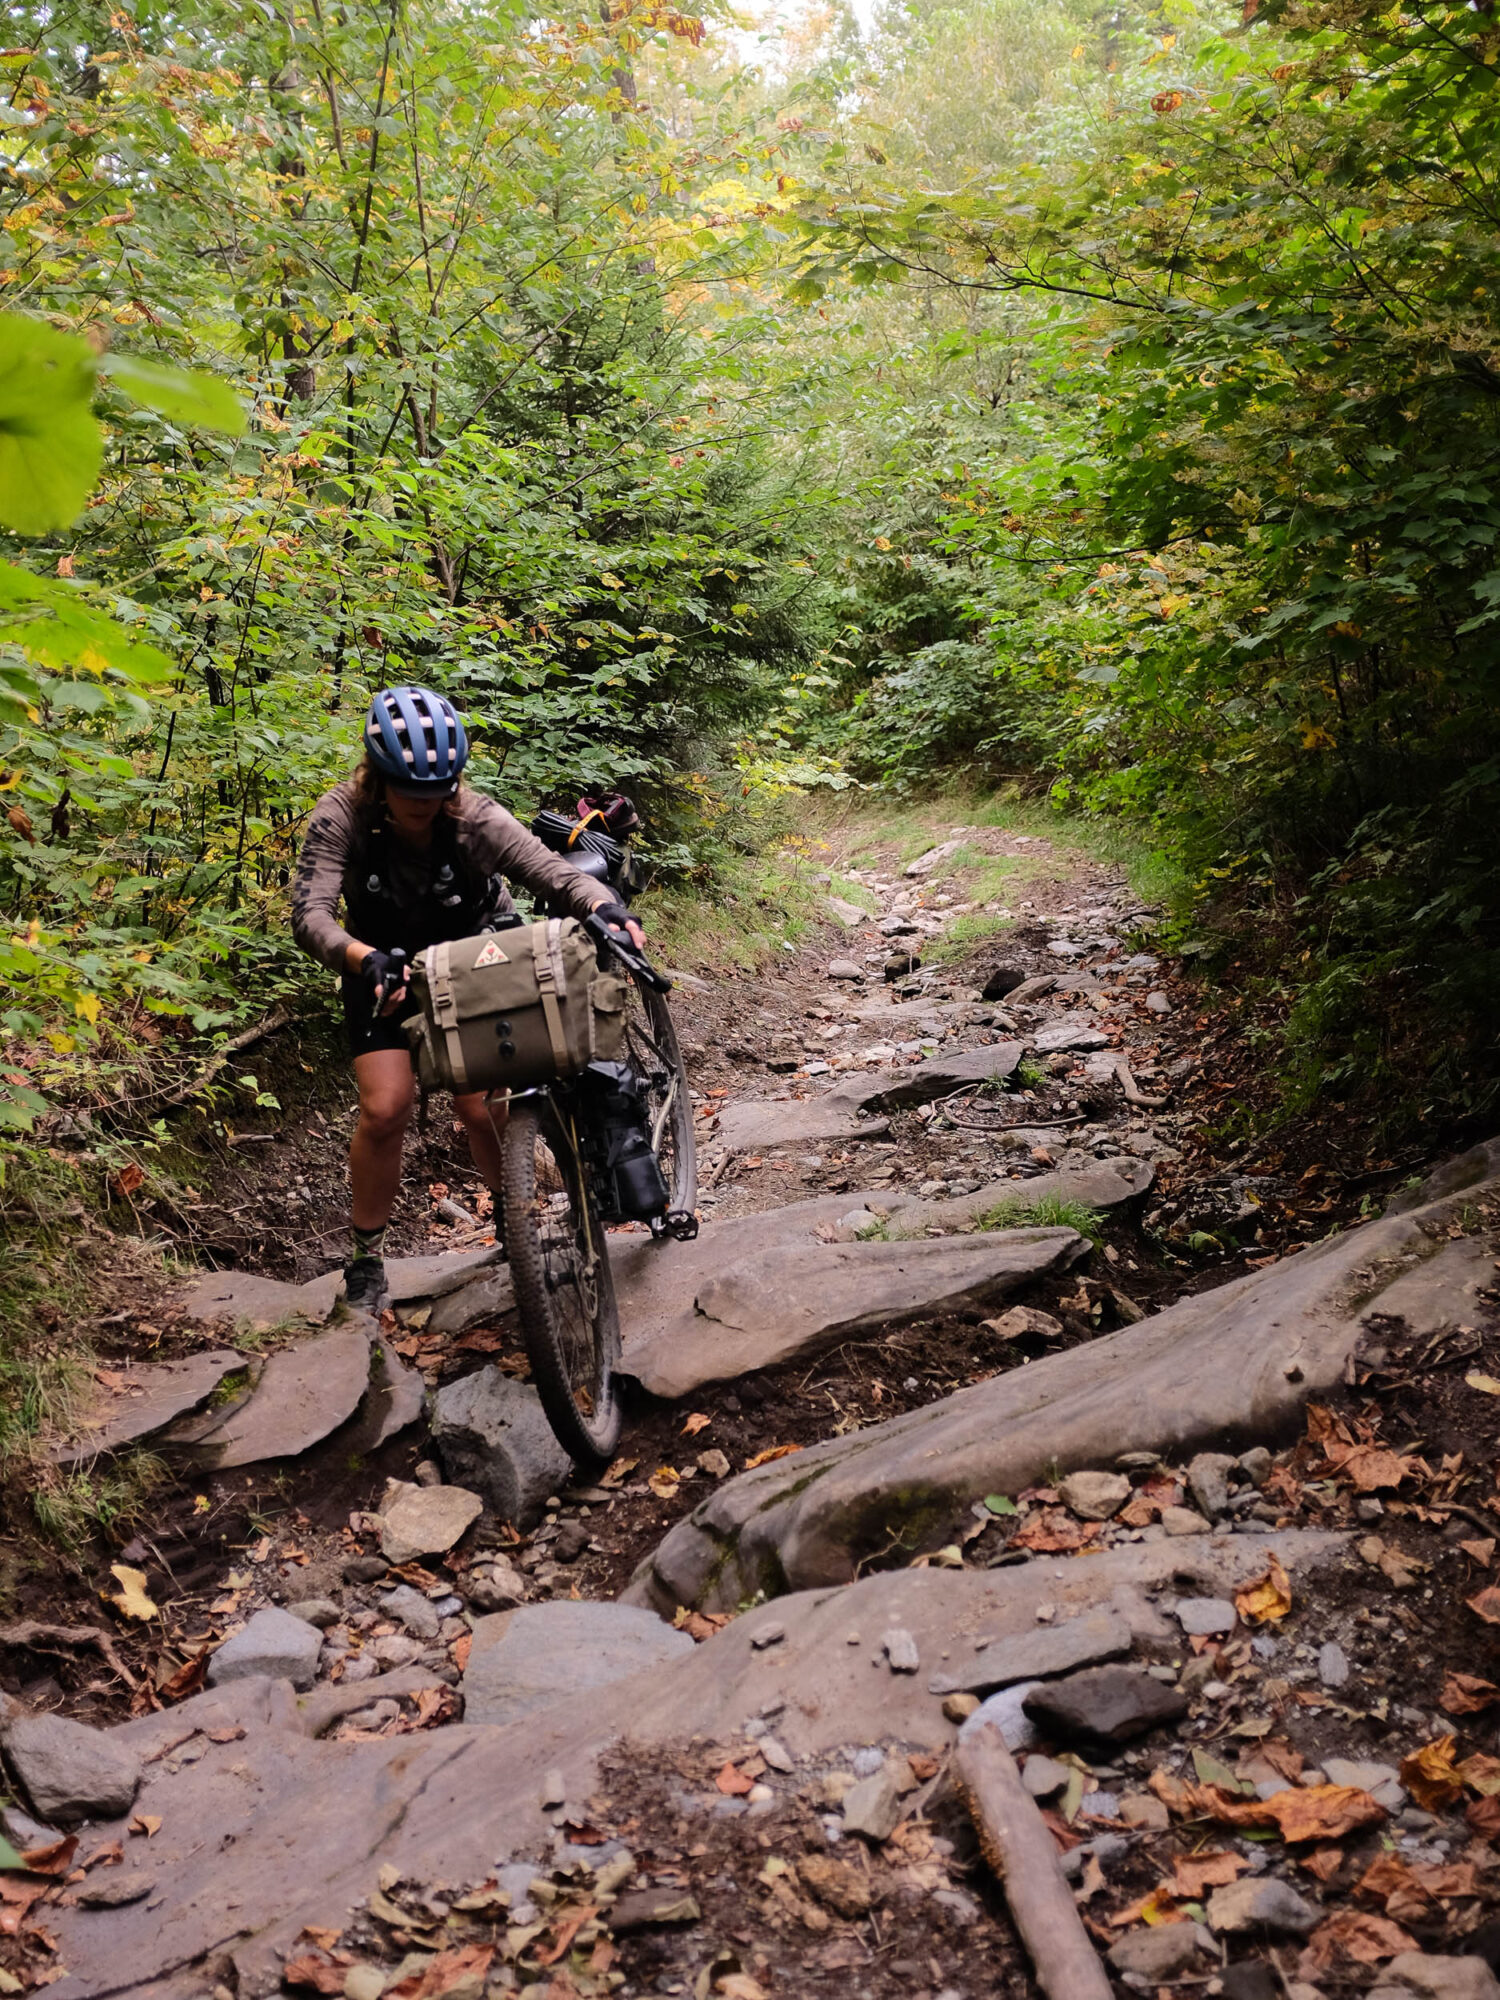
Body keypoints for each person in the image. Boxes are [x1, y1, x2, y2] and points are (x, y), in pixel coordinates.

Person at [291, 685, 642, 1312]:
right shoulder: (341, 814)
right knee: (385, 1108)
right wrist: (361, 957)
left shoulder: (472, 815)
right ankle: (367, 1260)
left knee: (481, 1106)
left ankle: (515, 1222)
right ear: (378, 777)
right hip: (382, 966)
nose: (426, 807)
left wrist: (603, 906)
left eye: (439, 792)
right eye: (410, 794)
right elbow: (311, 914)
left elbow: (548, 871)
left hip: (473, 958)